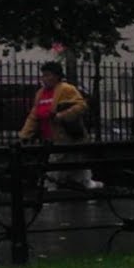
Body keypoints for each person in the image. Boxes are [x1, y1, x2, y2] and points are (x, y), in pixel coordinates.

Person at [18, 60, 102, 190]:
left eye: (48, 75)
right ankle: (87, 187)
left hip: (67, 137)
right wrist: (25, 134)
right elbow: (34, 115)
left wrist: (61, 116)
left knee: (62, 166)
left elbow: (81, 106)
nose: (44, 78)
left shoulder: (66, 89)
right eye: (43, 75)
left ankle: (53, 191)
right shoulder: (40, 93)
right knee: (72, 168)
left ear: (57, 76)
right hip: (50, 138)